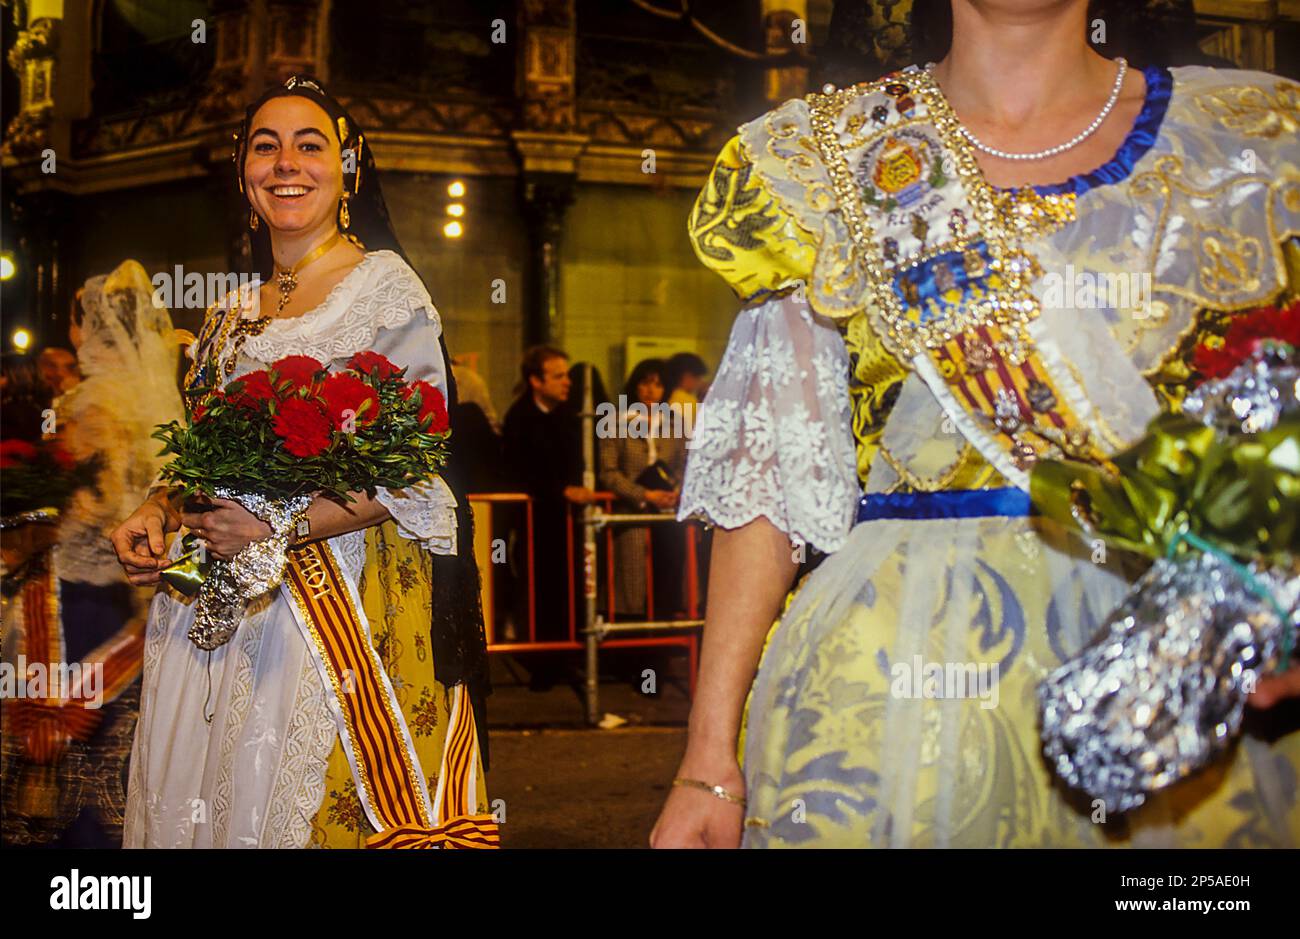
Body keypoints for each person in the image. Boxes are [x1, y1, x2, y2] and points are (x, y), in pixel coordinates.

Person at [652, 0, 1300, 848]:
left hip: (1163, 678)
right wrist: (708, 760)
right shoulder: (817, 159)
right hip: (877, 697)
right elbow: (767, 491)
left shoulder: (1250, 144)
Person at [109, 76, 496, 849]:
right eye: (265, 145)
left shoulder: (385, 288)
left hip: (340, 602)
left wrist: (278, 523)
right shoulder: (229, 310)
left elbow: (419, 468)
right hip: (213, 609)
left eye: (310, 145)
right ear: (243, 169)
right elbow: (199, 448)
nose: (287, 163)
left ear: (347, 165)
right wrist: (159, 505)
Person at [1, 261, 184, 848]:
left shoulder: (91, 400)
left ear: (91, 325)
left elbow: (95, 503)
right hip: (127, 596)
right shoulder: (146, 395)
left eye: (77, 317)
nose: (72, 329)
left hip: (78, 594)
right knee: (117, 741)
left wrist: (36, 505)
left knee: (65, 736)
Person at [502, 345, 597, 650]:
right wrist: (560, 491)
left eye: (567, 375)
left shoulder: (571, 417)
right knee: (541, 588)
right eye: (558, 376)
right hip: (538, 522)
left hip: (570, 521)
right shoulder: (519, 418)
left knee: (574, 586)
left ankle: (572, 652)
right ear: (536, 381)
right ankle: (543, 659)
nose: (567, 382)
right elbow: (519, 469)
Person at [598, 358, 686, 618]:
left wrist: (676, 491)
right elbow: (608, 472)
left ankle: (664, 634)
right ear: (635, 386)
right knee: (631, 588)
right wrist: (644, 494)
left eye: (658, 385)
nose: (651, 390)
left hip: (668, 515)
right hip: (631, 515)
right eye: (645, 383)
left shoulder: (675, 423)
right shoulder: (615, 422)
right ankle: (632, 642)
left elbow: (685, 463)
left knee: (666, 584)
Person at [664, 352, 708, 429]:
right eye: (697, 377)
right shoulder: (686, 399)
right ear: (686, 376)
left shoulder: (666, 395)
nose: (700, 381)